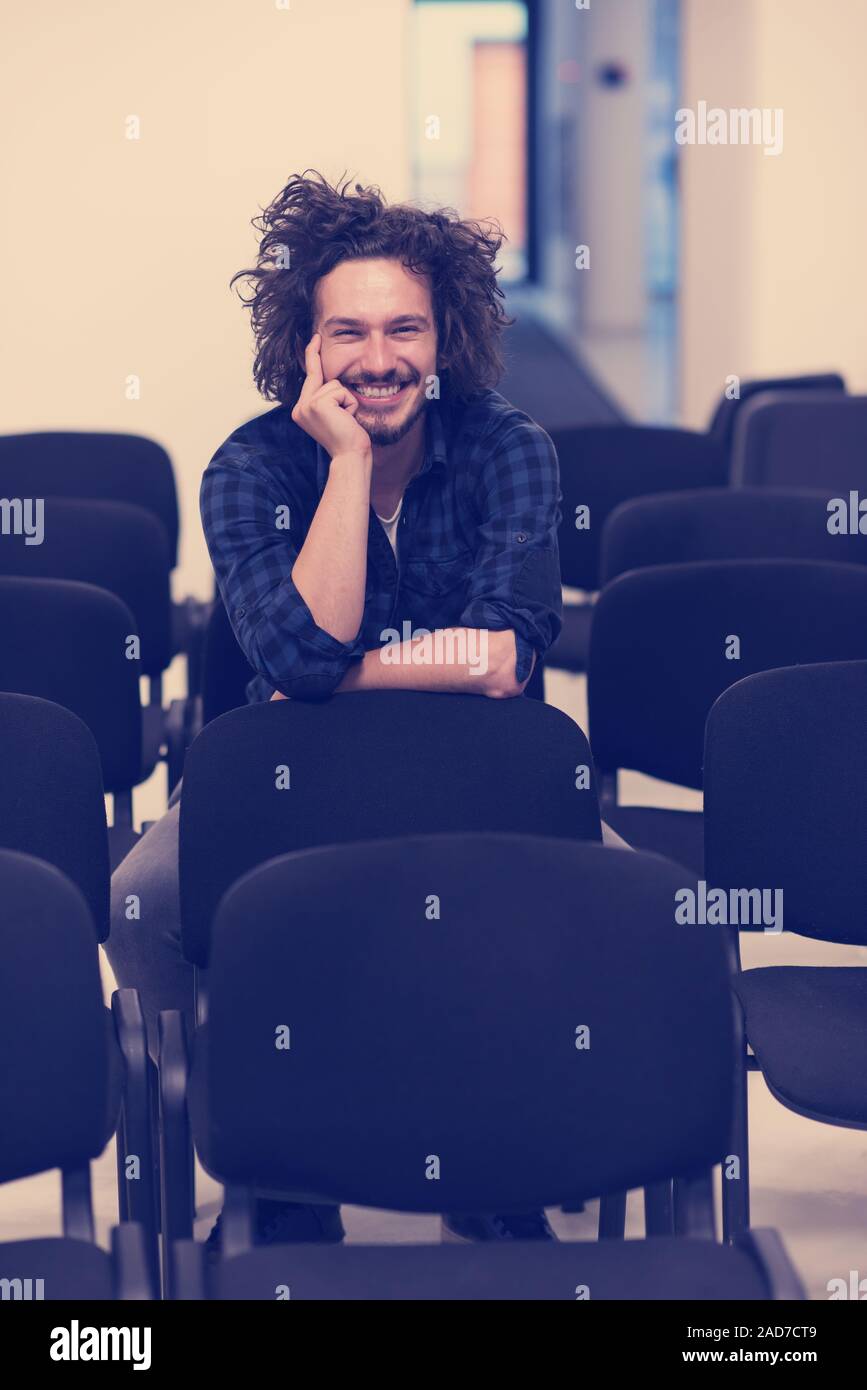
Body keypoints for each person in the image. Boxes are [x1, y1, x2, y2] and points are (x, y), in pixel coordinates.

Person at [106, 170, 576, 1251]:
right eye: (348, 333)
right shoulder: (249, 466)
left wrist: (343, 669)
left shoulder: (512, 448)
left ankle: (501, 1158)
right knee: (139, 900)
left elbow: (502, 658)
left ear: (445, 336)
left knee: (617, 896)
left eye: (405, 328)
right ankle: (265, 1154)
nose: (378, 360)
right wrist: (349, 464)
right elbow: (301, 650)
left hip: (479, 788)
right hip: (286, 794)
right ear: (306, 348)